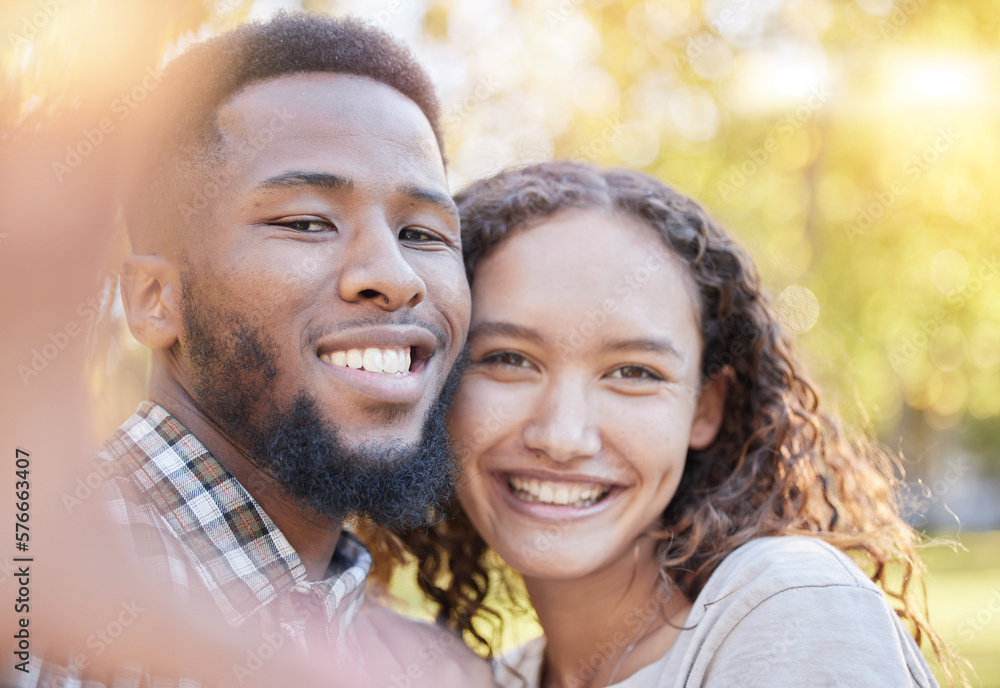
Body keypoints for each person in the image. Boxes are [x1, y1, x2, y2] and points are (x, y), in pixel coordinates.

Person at [26, 11, 495, 688]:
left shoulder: (419, 663)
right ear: (157, 298)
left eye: (423, 234)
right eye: (307, 222)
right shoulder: (37, 575)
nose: (395, 277)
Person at [391, 161, 963, 687]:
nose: (563, 437)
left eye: (633, 372)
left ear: (705, 407)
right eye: (508, 359)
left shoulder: (787, 611)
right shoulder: (493, 679)